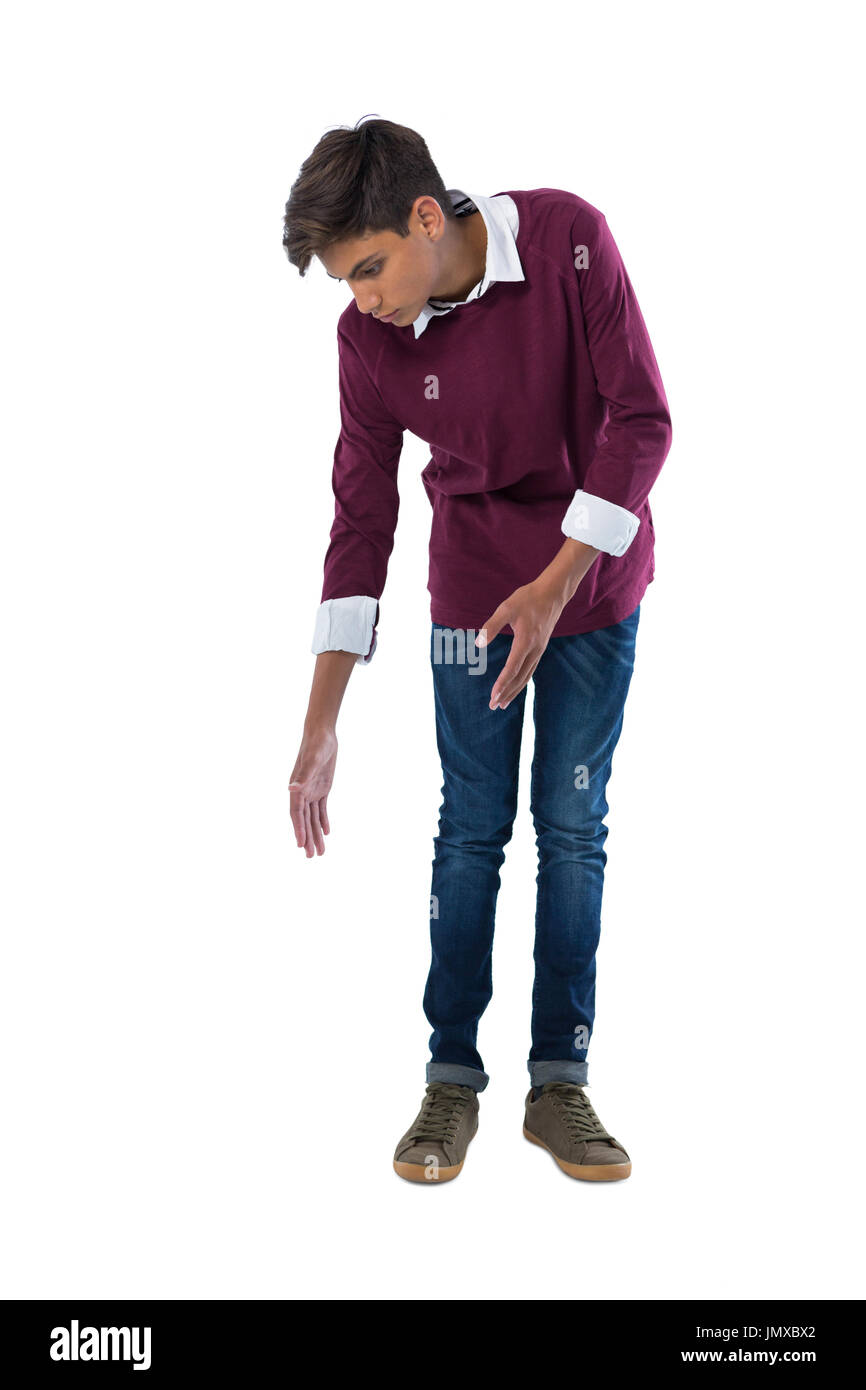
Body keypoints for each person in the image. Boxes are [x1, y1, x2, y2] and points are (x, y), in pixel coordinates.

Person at [283, 116, 672, 1184]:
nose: (360, 297)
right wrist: (321, 726)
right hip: (467, 599)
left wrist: (554, 587)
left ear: (424, 216)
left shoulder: (567, 243)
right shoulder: (366, 341)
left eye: (367, 268)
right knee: (469, 830)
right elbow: (359, 517)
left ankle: (559, 1084)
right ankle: (448, 1080)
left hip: (589, 591)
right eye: (343, 282)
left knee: (571, 826)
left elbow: (639, 422)